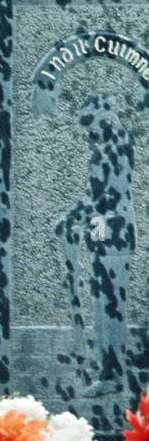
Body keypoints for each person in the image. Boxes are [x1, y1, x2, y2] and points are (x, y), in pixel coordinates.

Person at [55, 95, 136, 396]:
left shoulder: (110, 150)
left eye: (90, 124)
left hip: (112, 233)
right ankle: (107, 369)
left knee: (109, 308)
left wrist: (71, 217)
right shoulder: (118, 147)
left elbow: (99, 198)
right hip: (107, 233)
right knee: (105, 304)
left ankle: (111, 374)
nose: (88, 133)